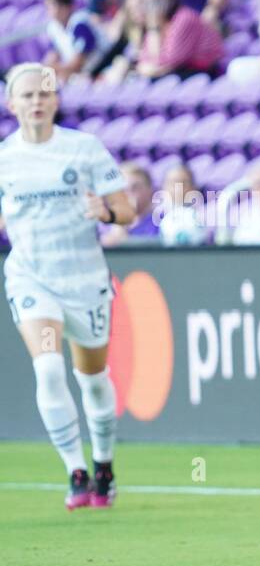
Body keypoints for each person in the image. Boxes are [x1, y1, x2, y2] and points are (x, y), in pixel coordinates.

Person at [0, 63, 133, 510]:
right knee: (48, 369)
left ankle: (104, 465)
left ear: (56, 101)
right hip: (32, 278)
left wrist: (107, 213)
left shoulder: (85, 149)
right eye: (27, 95)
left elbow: (126, 209)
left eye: (44, 94)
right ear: (11, 103)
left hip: (85, 280)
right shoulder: (5, 158)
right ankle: (75, 472)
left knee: (92, 378)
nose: (36, 101)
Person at [135, 0, 224, 79]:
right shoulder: (156, 22)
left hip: (203, 72)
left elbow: (171, 59)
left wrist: (150, 69)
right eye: (148, 0)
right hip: (178, 72)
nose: (153, 3)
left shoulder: (185, 17)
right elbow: (144, 58)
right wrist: (154, 28)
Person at [43, 0, 102, 82]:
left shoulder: (80, 24)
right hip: (82, 72)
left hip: (100, 68)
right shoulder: (54, 27)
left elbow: (77, 64)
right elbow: (53, 56)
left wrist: (51, 69)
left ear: (66, 6)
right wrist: (43, 69)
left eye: (53, 5)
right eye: (47, 6)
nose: (50, 10)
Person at [99, 161, 158, 245]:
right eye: (123, 188)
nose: (128, 193)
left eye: (135, 187)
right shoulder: (103, 224)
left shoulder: (161, 223)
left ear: (150, 190)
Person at [156, 163, 206, 246]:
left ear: (194, 187)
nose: (179, 188)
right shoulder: (153, 219)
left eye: (184, 182)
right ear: (163, 186)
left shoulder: (204, 218)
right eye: (173, 183)